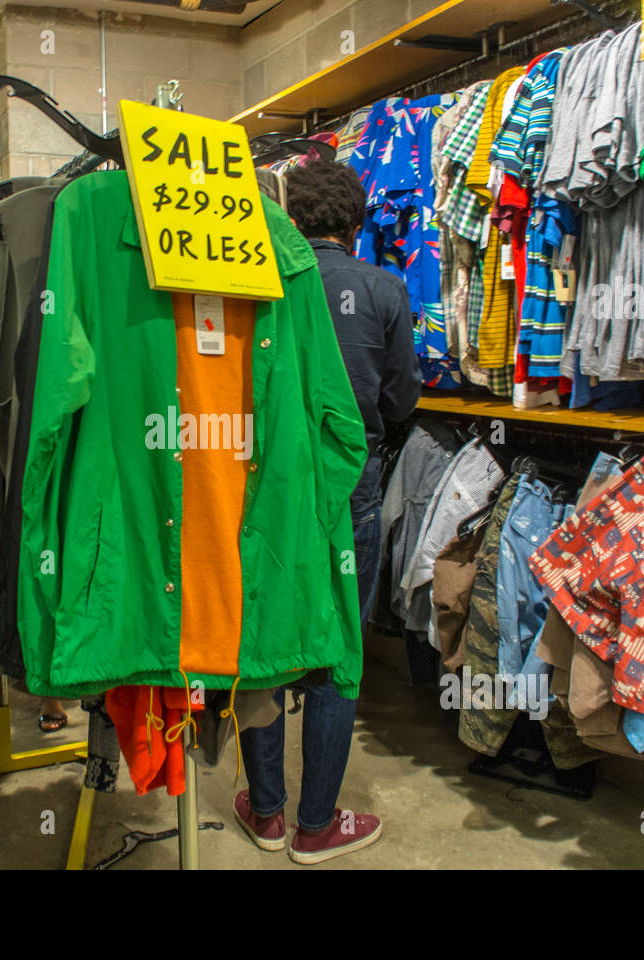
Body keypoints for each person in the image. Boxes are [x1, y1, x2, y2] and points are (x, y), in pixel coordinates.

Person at [233, 160, 419, 864]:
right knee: (338, 653)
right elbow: (402, 402)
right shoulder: (383, 289)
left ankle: (269, 811)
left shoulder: (257, 282)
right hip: (351, 494)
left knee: (266, 643)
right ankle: (317, 826)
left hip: (266, 492)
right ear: (355, 223)